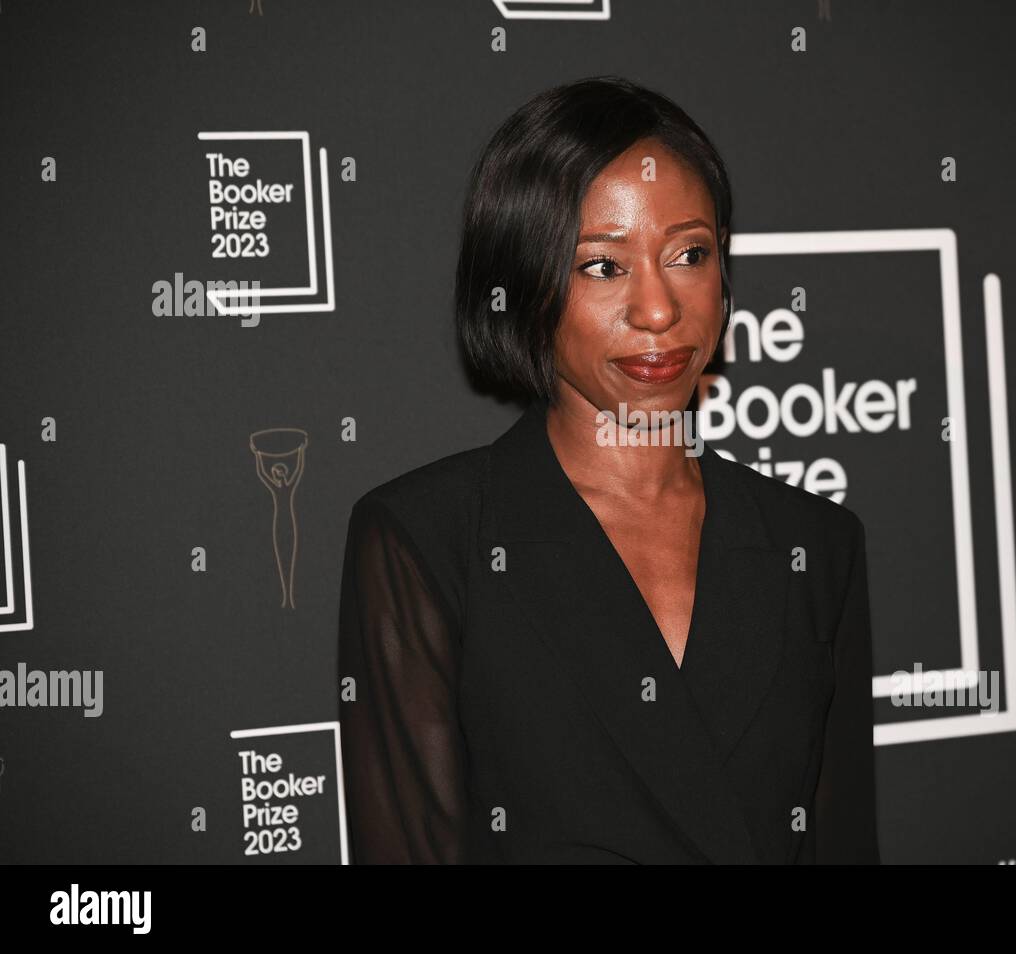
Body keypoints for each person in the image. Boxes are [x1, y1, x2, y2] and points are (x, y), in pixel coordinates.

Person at [337, 75, 880, 864]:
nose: (659, 310)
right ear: (523, 285)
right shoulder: (427, 542)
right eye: (603, 266)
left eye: (689, 253)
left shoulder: (817, 544)